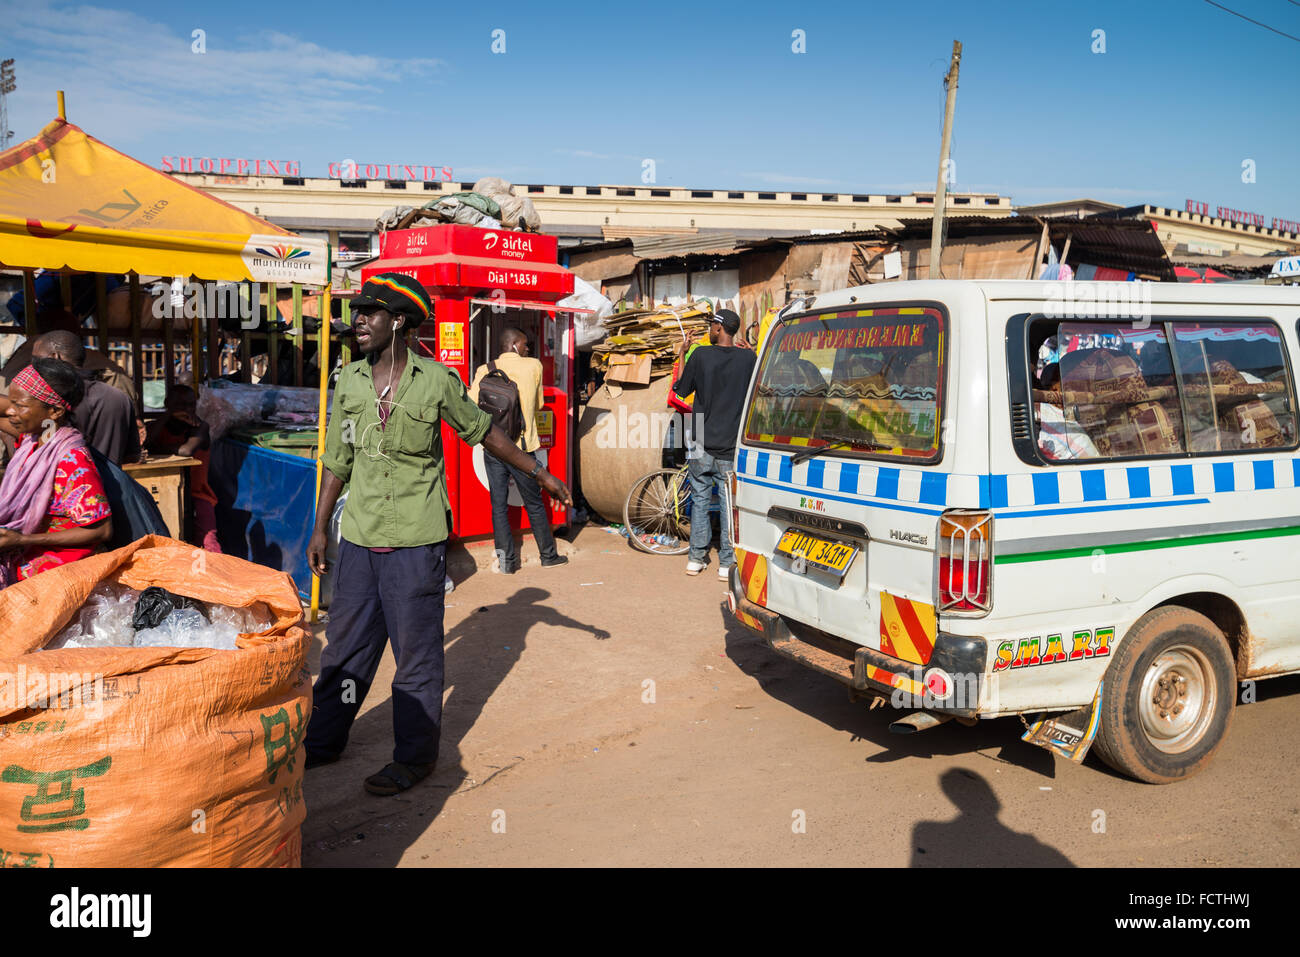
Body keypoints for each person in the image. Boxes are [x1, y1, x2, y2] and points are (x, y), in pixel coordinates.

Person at [304, 273, 572, 796]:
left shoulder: (436, 381)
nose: (358, 321)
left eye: (370, 313)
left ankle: (414, 758)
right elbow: (339, 458)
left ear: (398, 321)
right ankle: (323, 741)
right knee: (345, 650)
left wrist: (539, 472)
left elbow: (484, 431)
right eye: (356, 313)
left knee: (417, 657)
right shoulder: (350, 381)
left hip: (416, 542)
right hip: (359, 538)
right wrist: (319, 527)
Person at [0, 359, 113, 588]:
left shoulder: (72, 461)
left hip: (55, 578)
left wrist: (23, 539)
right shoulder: (33, 442)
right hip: (26, 567)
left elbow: (102, 530)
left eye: (19, 405)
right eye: (10, 403)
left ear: (55, 410)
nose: (10, 411)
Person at [469, 327, 567, 573]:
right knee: (534, 503)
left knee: (498, 506)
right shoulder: (533, 366)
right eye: (524, 344)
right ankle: (548, 555)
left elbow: (472, 405)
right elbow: (539, 404)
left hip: (493, 448)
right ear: (513, 344)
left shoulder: (484, 369)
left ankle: (506, 562)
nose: (528, 348)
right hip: (523, 449)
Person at [671, 308, 756, 579]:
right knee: (729, 504)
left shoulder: (701, 355)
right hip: (732, 443)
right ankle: (726, 562)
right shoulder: (748, 358)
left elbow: (682, 389)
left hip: (698, 438)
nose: (709, 330)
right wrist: (752, 351)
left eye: (711, 326)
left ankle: (696, 558)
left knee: (699, 498)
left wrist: (682, 353)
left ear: (719, 329)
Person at [25, 331, 141, 466]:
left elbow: (40, 452)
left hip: (66, 485)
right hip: (110, 485)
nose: (33, 367)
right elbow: (132, 456)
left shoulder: (52, 401)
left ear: (55, 358)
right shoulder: (120, 397)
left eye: (36, 360)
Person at [145, 385, 220, 552]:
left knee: (208, 544)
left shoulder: (200, 427)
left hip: (197, 494)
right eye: (180, 405)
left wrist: (159, 449)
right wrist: (166, 416)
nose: (187, 409)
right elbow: (147, 444)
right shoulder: (157, 426)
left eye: (190, 405)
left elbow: (186, 451)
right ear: (167, 404)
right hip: (165, 495)